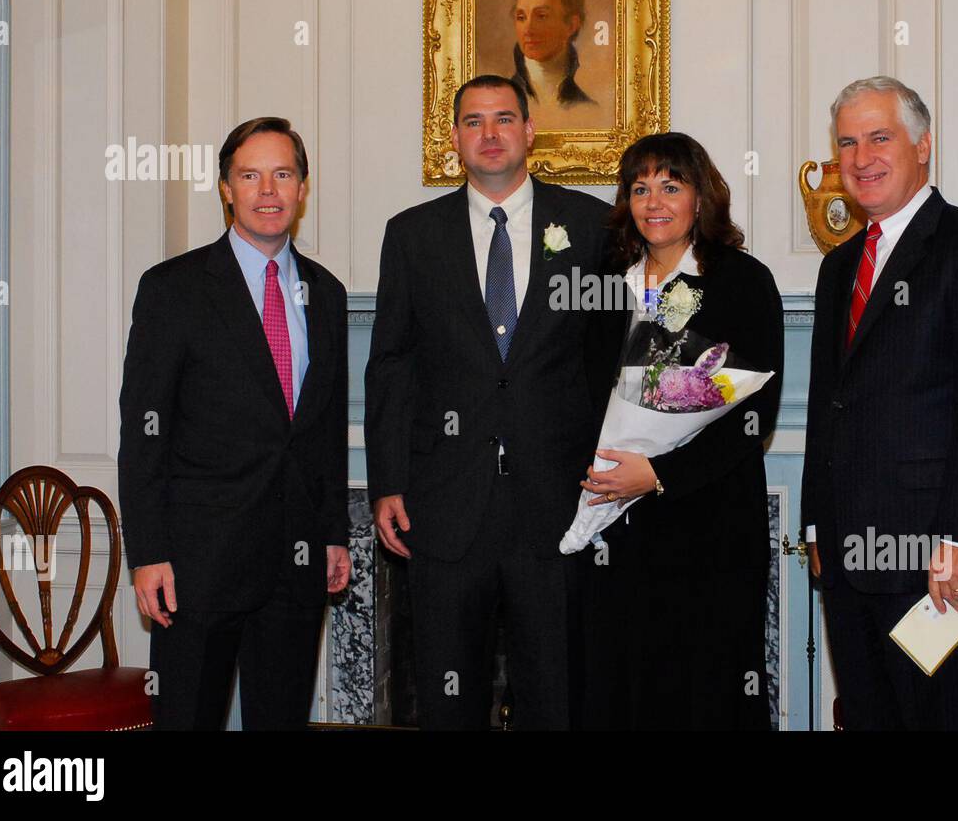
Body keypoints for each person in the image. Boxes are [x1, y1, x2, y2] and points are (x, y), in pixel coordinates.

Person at [364, 74, 612, 730]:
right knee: (447, 698)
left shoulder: (588, 225)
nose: (491, 133)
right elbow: (391, 364)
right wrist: (386, 482)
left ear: (531, 131)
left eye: (505, 118)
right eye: (474, 121)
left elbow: (608, 361)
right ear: (454, 139)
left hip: (557, 504)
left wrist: (610, 471)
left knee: (554, 695)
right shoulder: (413, 235)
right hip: (444, 507)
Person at [800, 76, 958, 730]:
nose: (860, 157)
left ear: (923, 145)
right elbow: (829, 405)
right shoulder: (838, 266)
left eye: (880, 137)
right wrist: (818, 524)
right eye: (846, 142)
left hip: (940, 569)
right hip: (850, 566)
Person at [118, 116, 350, 730]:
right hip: (195, 568)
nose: (268, 190)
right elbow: (145, 432)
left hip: (295, 567)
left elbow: (322, 433)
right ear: (225, 188)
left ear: (303, 187)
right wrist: (148, 553)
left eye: (283, 174)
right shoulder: (174, 289)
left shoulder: (327, 294)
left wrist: (332, 534)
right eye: (250, 175)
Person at [578, 132, 784, 730]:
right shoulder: (605, 281)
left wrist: (659, 474)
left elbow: (755, 416)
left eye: (671, 185)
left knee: (708, 690)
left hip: (709, 524)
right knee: (624, 689)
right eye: (640, 188)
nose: (653, 201)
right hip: (619, 523)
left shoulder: (741, 281)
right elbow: (586, 394)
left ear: (701, 196)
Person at [509, 0, 597, 124]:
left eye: (541, 16)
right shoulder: (506, 98)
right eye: (521, 17)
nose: (528, 29)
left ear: (571, 25)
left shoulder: (588, 106)